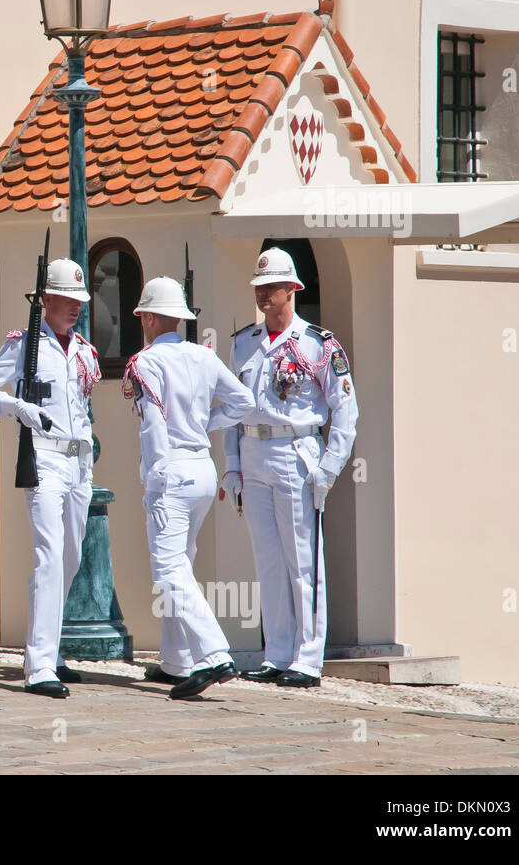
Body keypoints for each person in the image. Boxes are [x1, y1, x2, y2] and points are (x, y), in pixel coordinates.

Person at [222, 247, 359, 688]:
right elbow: (230, 407)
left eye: (272, 287)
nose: (264, 294)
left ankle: (307, 658)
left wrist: (330, 468)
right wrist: (232, 464)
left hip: (296, 453)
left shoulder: (318, 344)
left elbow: (346, 409)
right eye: (259, 287)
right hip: (254, 452)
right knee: (268, 560)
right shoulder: (244, 342)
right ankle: (277, 653)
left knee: (303, 560)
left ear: (292, 289)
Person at [0, 258, 99, 698]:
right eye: (66, 300)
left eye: (79, 301)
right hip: (43, 460)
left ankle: (50, 650)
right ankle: (41, 667)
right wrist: (15, 407)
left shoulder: (81, 348)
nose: (75, 308)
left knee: (71, 558)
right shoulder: (25, 346)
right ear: (46, 301)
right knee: (49, 556)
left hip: (78, 462)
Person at [123, 277, 255, 699]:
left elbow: (153, 425)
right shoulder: (203, 356)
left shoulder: (145, 362)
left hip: (172, 472)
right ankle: (176, 660)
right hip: (202, 469)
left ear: (150, 317)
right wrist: (203, 426)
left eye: (143, 313)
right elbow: (243, 404)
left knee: (169, 570)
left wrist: (155, 475)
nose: (141, 320)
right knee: (182, 563)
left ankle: (214, 654)